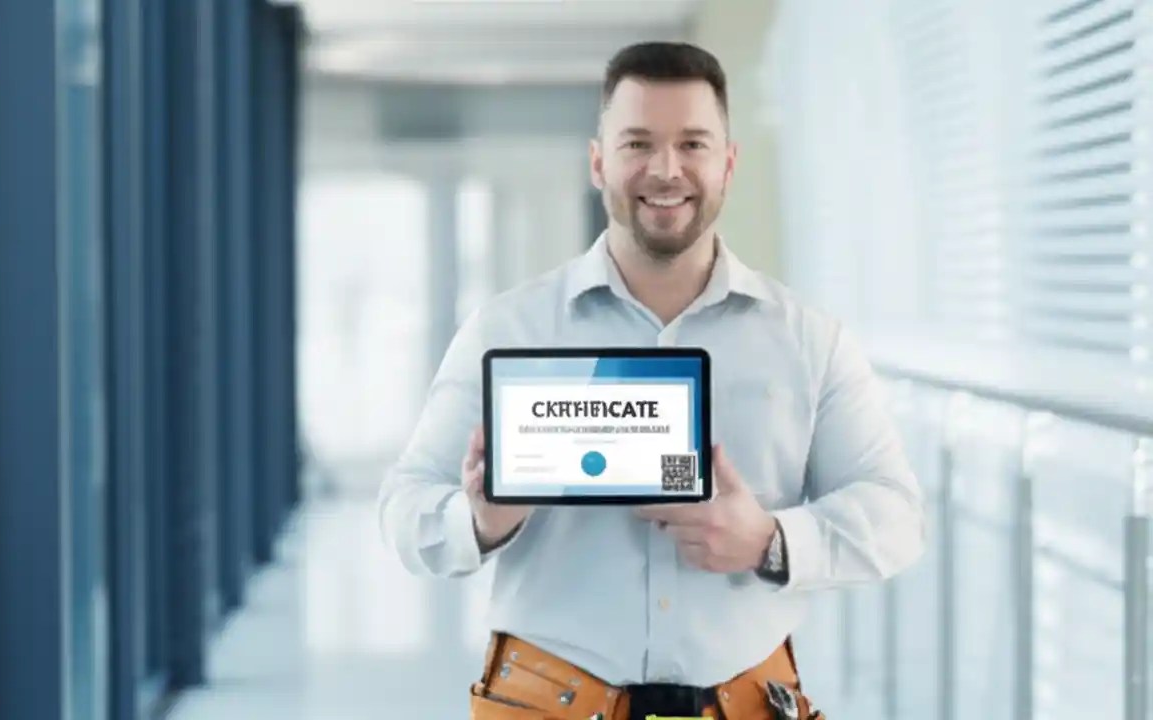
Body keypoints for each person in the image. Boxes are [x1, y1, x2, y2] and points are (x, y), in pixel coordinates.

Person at [377, 41, 924, 720]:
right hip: (547, 704)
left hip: (746, 703)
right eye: (638, 143)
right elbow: (403, 510)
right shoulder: (509, 330)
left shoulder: (808, 341)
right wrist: (481, 520)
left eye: (693, 144)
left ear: (728, 162)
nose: (666, 171)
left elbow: (897, 515)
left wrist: (770, 541)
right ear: (598, 160)